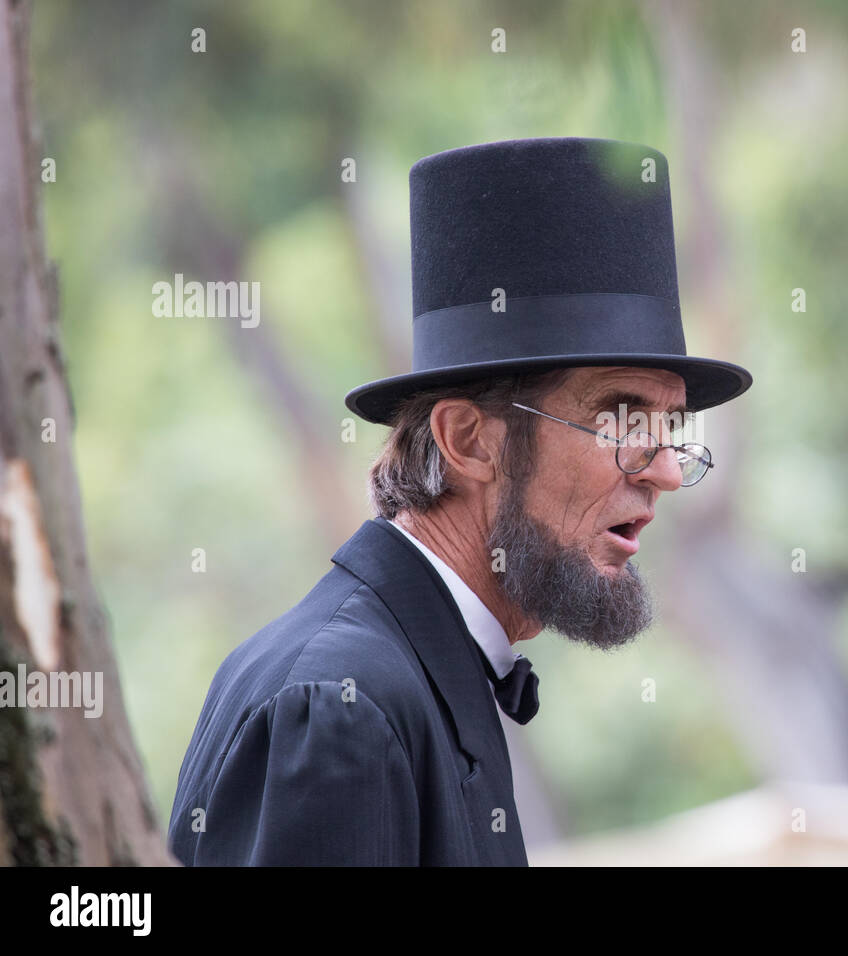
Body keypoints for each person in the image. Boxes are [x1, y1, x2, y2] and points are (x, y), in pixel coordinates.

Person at [167, 137, 752, 865]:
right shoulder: (340, 709)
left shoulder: (411, 674)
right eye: (623, 420)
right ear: (471, 441)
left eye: (670, 429)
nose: (664, 470)